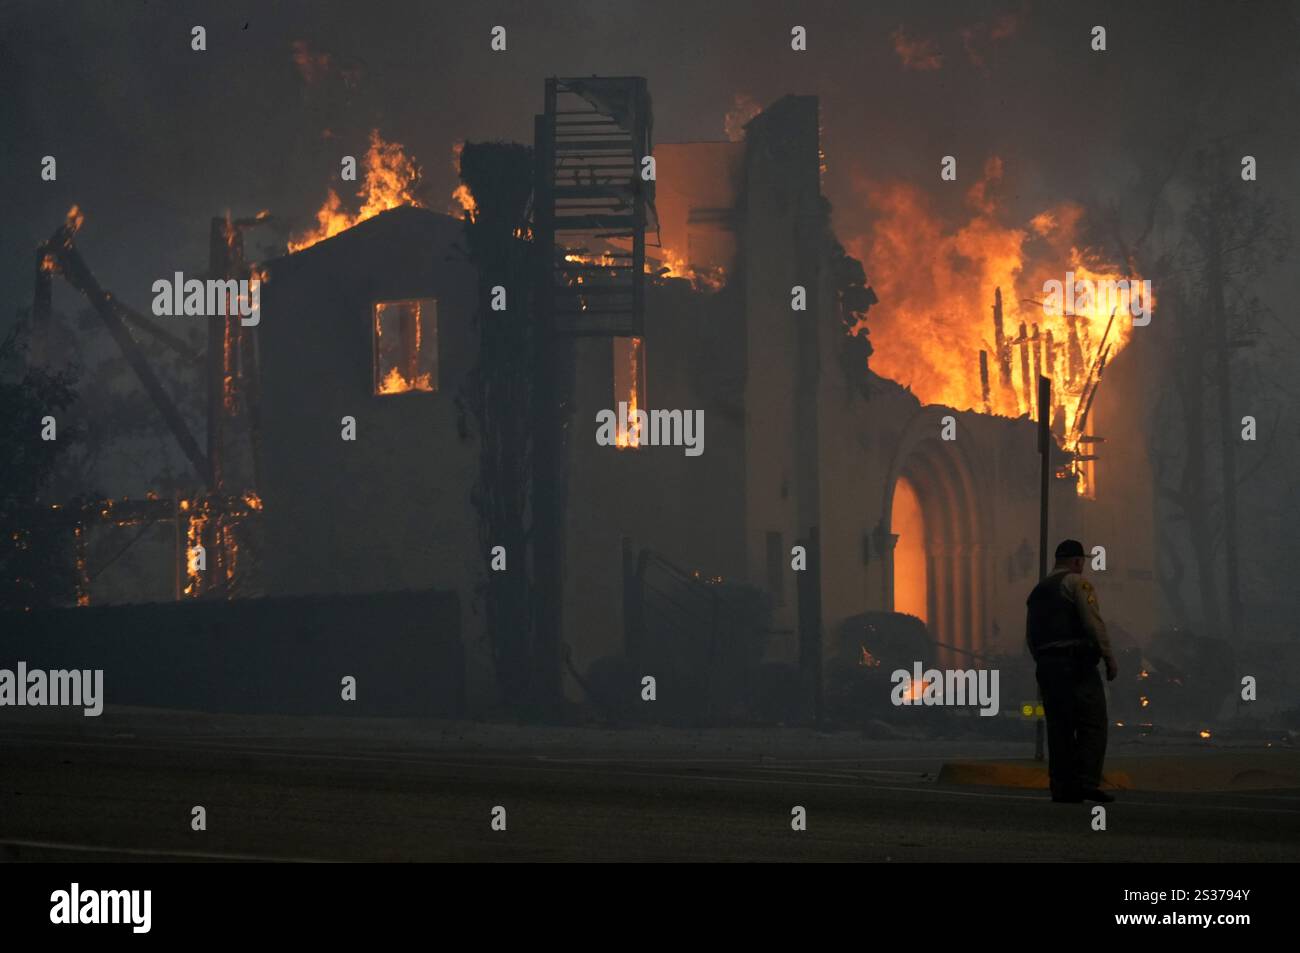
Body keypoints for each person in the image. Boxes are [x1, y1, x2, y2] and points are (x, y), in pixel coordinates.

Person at [1025, 539, 1118, 803]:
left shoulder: (1037, 591)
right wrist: (1109, 657)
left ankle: (1062, 786)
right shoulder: (1078, 583)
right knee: (1092, 723)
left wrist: (1043, 662)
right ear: (1077, 561)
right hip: (1076, 664)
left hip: (1048, 666)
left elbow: (1030, 636)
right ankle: (1086, 782)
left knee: (1059, 727)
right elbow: (1093, 622)